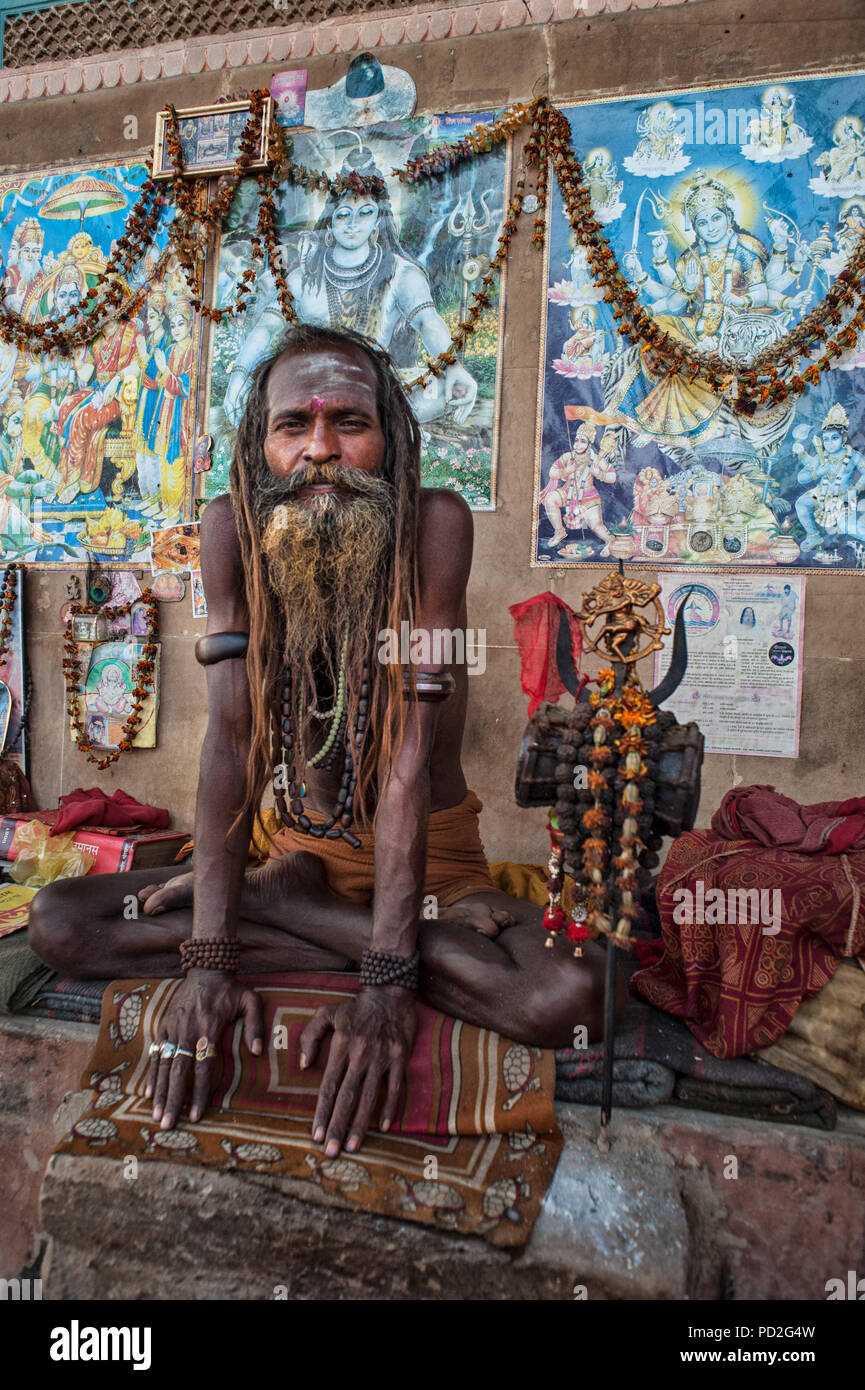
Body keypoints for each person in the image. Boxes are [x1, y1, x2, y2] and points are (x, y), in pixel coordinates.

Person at [30, 324, 612, 1156]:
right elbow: (230, 748)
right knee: (60, 921)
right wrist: (206, 963)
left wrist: (384, 982)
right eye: (293, 426)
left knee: (572, 995)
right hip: (291, 847)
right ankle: (309, 908)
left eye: (349, 423)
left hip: (433, 875)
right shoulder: (233, 529)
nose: (320, 452)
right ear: (260, 442)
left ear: (391, 439)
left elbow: (408, 760)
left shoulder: (434, 528)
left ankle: (297, 908)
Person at [222, 149, 478, 429]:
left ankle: (353, 424)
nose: (353, 224)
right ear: (330, 221)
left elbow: (427, 321)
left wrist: (453, 368)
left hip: (378, 391)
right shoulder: (303, 277)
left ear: (379, 219)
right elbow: (267, 328)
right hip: (315, 390)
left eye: (365, 213)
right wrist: (239, 375)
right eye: (344, 215)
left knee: (436, 393)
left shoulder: (401, 273)